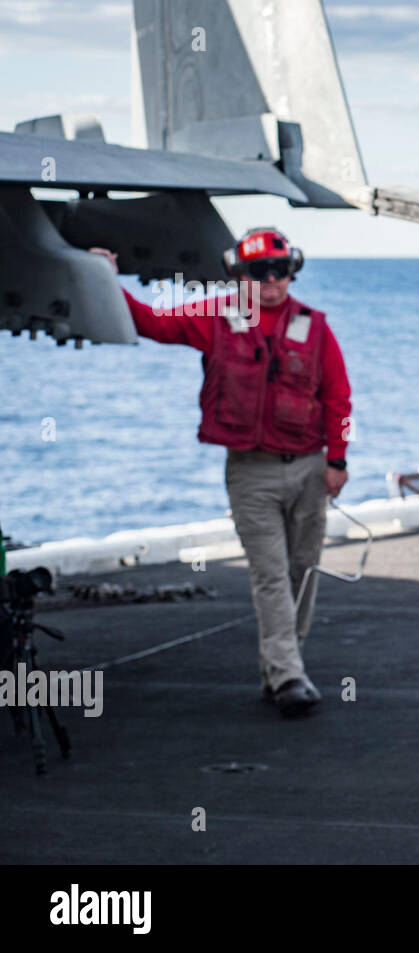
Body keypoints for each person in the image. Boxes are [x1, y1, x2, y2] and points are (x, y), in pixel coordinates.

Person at [90, 229, 350, 718]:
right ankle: (290, 674)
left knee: (303, 573)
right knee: (271, 574)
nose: (270, 280)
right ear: (238, 273)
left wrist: (337, 459)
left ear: (291, 271)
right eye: (258, 271)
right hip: (251, 473)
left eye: (278, 270)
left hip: (311, 470)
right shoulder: (215, 317)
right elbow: (150, 322)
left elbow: (339, 397)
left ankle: (280, 667)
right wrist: (105, 279)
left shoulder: (315, 328)